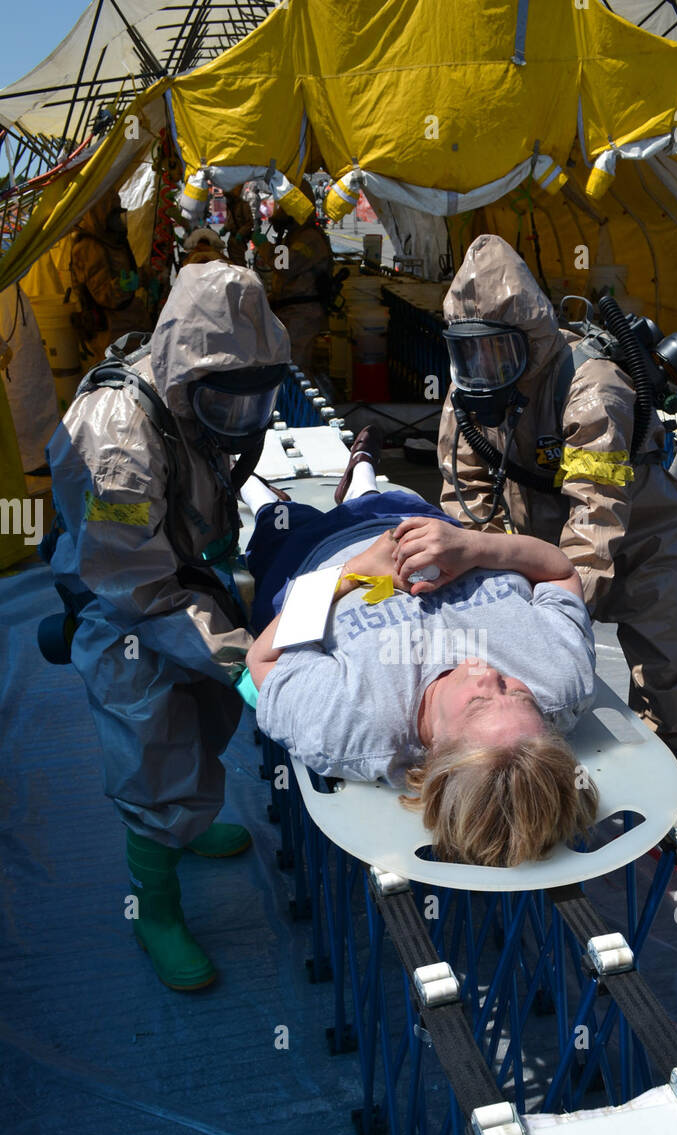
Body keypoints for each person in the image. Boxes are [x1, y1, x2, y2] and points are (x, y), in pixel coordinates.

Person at [436, 234, 677, 891]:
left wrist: (549, 628)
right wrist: (491, 597)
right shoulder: (469, 395)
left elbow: (596, 517)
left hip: (640, 540)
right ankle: (572, 792)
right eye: (468, 351)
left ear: (531, 338)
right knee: (520, 680)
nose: (482, 367)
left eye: (497, 350)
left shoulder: (592, 389)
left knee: (668, 676)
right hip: (533, 541)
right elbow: (465, 502)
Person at [46, 260, 291, 991]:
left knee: (206, 717)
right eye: (229, 400)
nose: (243, 419)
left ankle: (185, 824)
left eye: (258, 401)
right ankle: (155, 906)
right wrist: (241, 658)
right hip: (127, 605)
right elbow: (134, 579)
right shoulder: (118, 439)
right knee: (152, 742)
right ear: (186, 374)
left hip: (187, 579)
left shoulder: (197, 398)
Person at [243, 437, 598, 868]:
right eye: (519, 695)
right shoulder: (561, 682)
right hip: (424, 524)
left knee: (278, 519)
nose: (488, 674)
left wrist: (352, 572)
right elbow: (560, 573)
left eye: (479, 702)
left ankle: (255, 489)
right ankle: (361, 477)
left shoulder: (354, 726)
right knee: (380, 496)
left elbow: (264, 659)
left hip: (314, 554)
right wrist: (477, 548)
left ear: (433, 757)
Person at [70, 191, 151, 368]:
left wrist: (142, 276)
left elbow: (122, 271)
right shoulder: (89, 246)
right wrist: (125, 286)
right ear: (100, 215)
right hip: (112, 331)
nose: (118, 220)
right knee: (121, 381)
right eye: (113, 215)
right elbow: (105, 296)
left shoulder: (112, 241)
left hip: (130, 324)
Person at [254, 207, 333, 373]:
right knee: (287, 363)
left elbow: (284, 266)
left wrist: (264, 246)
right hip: (290, 311)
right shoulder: (294, 236)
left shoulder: (309, 238)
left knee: (297, 367)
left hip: (302, 314)